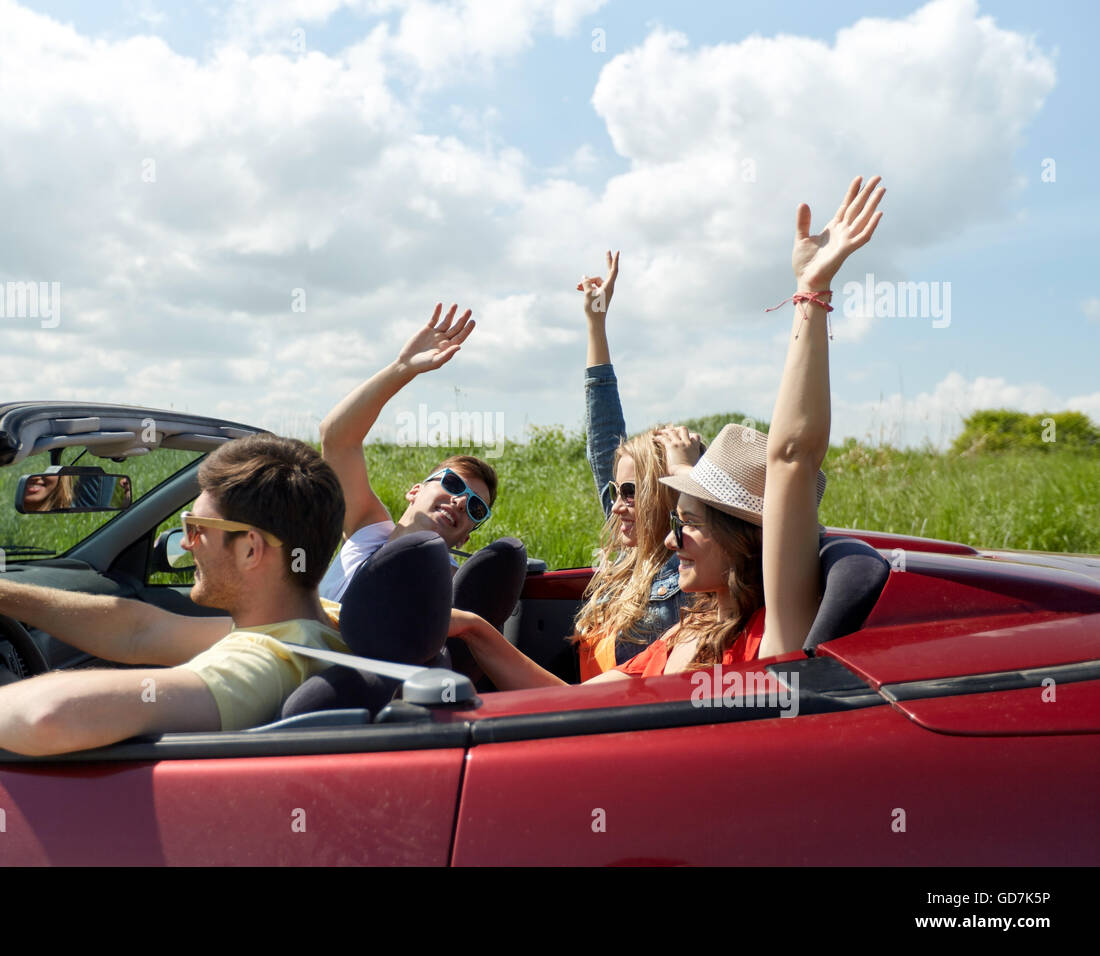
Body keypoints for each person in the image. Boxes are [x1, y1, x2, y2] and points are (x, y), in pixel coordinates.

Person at [451, 175, 885, 684]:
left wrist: (810, 293)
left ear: (745, 542)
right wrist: (474, 631)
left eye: (689, 525)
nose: (674, 539)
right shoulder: (692, 627)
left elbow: (790, 456)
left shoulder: (773, 635)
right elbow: (581, 704)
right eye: (679, 523)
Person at [0, 434, 349, 754]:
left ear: (251, 548)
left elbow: (50, 715)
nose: (186, 542)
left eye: (196, 529)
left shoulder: (262, 663)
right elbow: (140, 630)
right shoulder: (323, 621)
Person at [576, 250, 703, 677]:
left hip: (614, 725)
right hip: (583, 714)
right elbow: (602, 438)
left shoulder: (689, 575)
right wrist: (596, 320)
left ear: (666, 494)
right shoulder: (631, 551)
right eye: (615, 491)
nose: (616, 504)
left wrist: (690, 473)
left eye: (631, 492)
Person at [318, 302, 498, 602]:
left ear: (465, 537)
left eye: (476, 509)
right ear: (415, 491)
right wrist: (402, 368)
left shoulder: (452, 587)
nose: (461, 500)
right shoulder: (367, 529)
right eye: (453, 483)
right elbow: (336, 438)